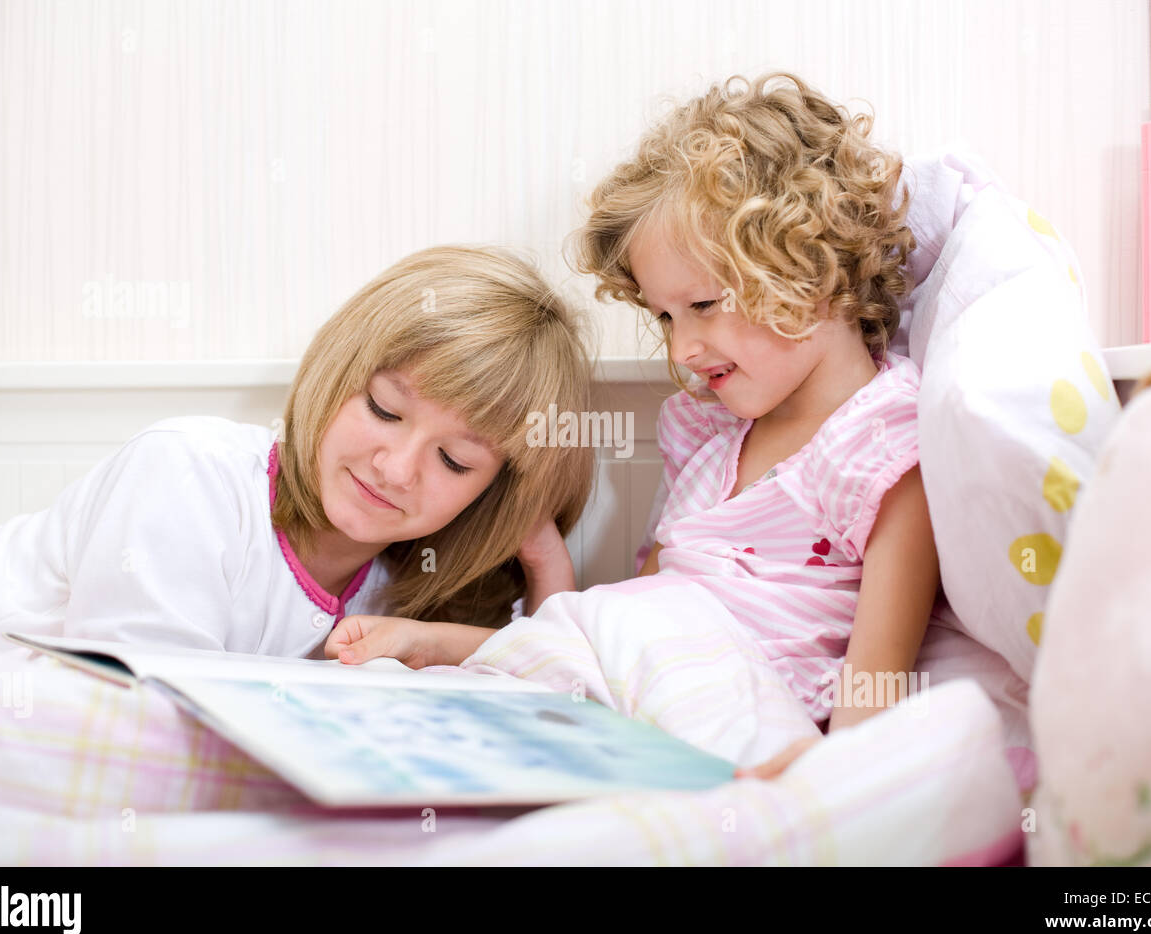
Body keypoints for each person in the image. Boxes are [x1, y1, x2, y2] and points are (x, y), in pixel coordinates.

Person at [326, 73, 940, 778]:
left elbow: (875, 690)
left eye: (704, 304)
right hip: (645, 696)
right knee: (432, 726)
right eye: (665, 317)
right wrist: (440, 644)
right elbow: (615, 633)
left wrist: (834, 789)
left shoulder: (886, 446)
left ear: (813, 270)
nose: (680, 350)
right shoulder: (710, 433)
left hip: (744, 718)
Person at [0, 245, 594, 658]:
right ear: (339, 374)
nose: (396, 469)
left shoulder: (404, 590)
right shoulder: (188, 475)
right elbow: (139, 712)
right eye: (384, 409)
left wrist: (539, 553)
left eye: (455, 462)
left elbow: (547, 674)